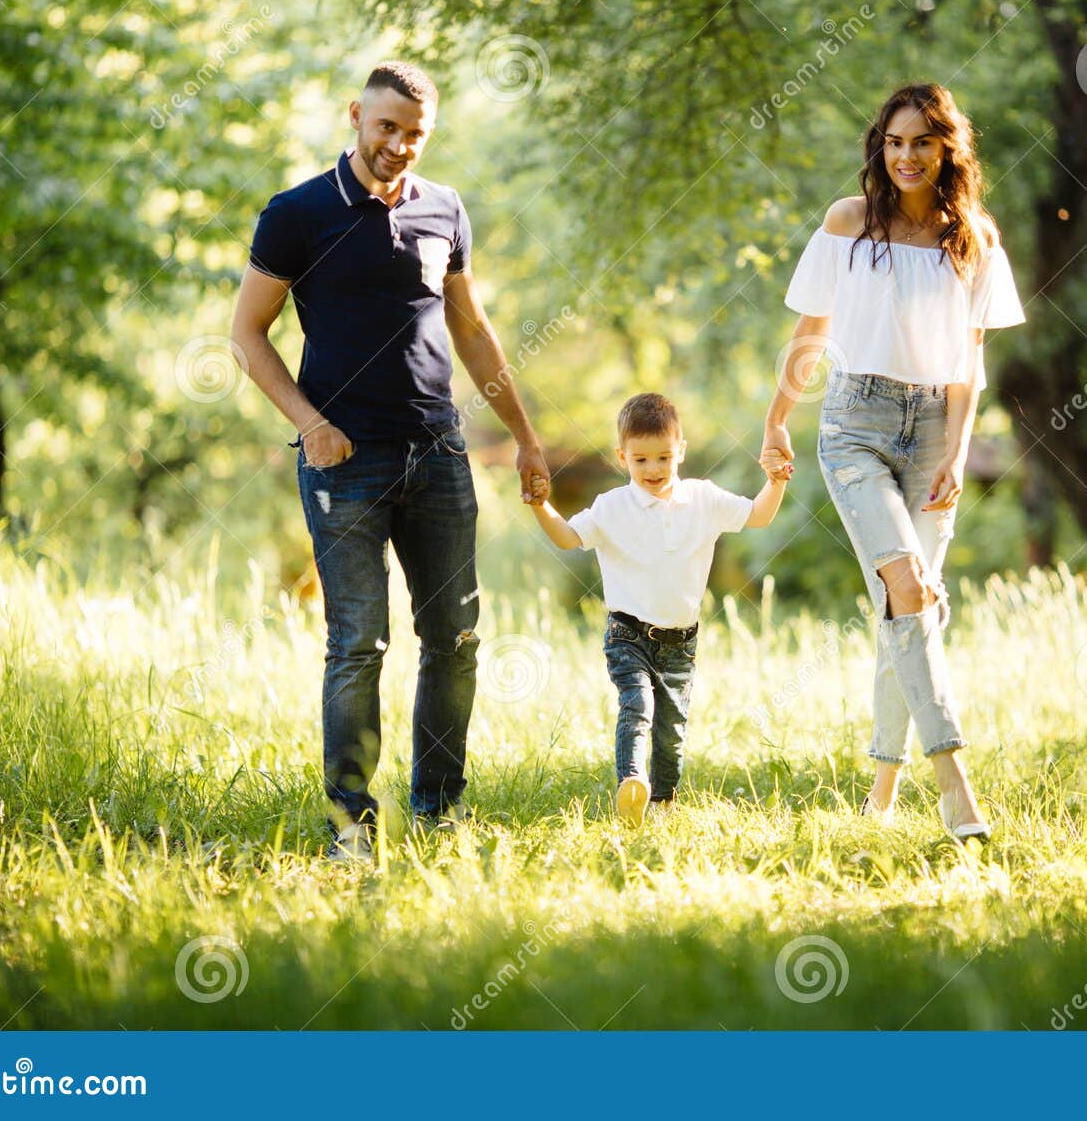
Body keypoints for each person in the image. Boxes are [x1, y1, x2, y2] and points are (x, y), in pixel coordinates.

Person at [230, 61, 549, 858]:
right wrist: (308, 424)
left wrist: (527, 434)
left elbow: (472, 331)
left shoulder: (445, 209)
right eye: (386, 128)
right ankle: (350, 824)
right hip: (345, 464)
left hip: (438, 450)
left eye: (415, 134)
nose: (399, 146)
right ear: (355, 117)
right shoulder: (297, 213)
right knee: (358, 641)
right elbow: (245, 334)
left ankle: (439, 811)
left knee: (456, 635)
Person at [760, 82, 1026, 843]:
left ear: (949, 149)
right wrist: (776, 421)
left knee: (904, 610)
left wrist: (957, 450)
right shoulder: (849, 223)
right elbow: (811, 335)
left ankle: (881, 793)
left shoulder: (973, 236)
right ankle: (955, 782)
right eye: (895, 142)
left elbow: (968, 364)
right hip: (855, 423)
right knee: (907, 585)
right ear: (881, 148)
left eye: (923, 142)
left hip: (934, 432)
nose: (906, 156)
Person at [527, 393, 787, 827]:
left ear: (680, 451)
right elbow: (569, 538)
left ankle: (663, 803)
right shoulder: (612, 506)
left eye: (664, 457)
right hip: (628, 634)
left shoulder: (704, 499)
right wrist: (540, 505)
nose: (653, 469)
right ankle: (631, 781)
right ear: (622, 456)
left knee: (672, 732)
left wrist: (776, 481)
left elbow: (758, 515)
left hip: (681, 641)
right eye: (641, 459)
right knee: (638, 704)